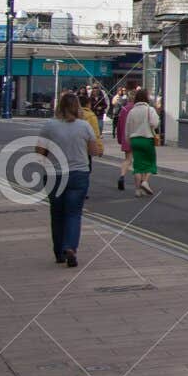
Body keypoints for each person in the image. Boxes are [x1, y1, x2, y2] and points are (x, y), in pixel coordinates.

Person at [38, 90, 102, 267]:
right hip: (78, 175)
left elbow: (39, 152)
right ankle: (71, 247)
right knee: (74, 214)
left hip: (55, 176)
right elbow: (94, 151)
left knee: (57, 214)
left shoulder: (49, 126)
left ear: (59, 106)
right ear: (77, 107)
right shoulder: (84, 126)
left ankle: (59, 253)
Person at [124, 88, 162, 197]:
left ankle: (137, 190)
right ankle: (145, 182)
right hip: (147, 139)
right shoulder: (150, 110)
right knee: (150, 163)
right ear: (146, 98)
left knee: (138, 165)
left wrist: (128, 141)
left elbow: (127, 128)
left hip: (134, 140)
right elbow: (155, 123)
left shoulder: (132, 111)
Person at [114, 87, 135, 192]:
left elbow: (119, 125)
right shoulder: (138, 109)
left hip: (126, 138)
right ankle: (141, 182)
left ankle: (122, 176)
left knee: (128, 159)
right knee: (139, 161)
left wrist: (119, 138)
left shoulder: (124, 109)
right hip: (137, 137)